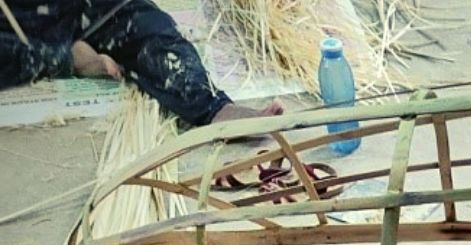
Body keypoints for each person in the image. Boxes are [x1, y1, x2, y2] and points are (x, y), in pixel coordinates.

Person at [0, 0, 280, 126]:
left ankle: (209, 106)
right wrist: (63, 58)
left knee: (143, 24)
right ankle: (61, 54)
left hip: (72, 7)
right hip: (13, 23)